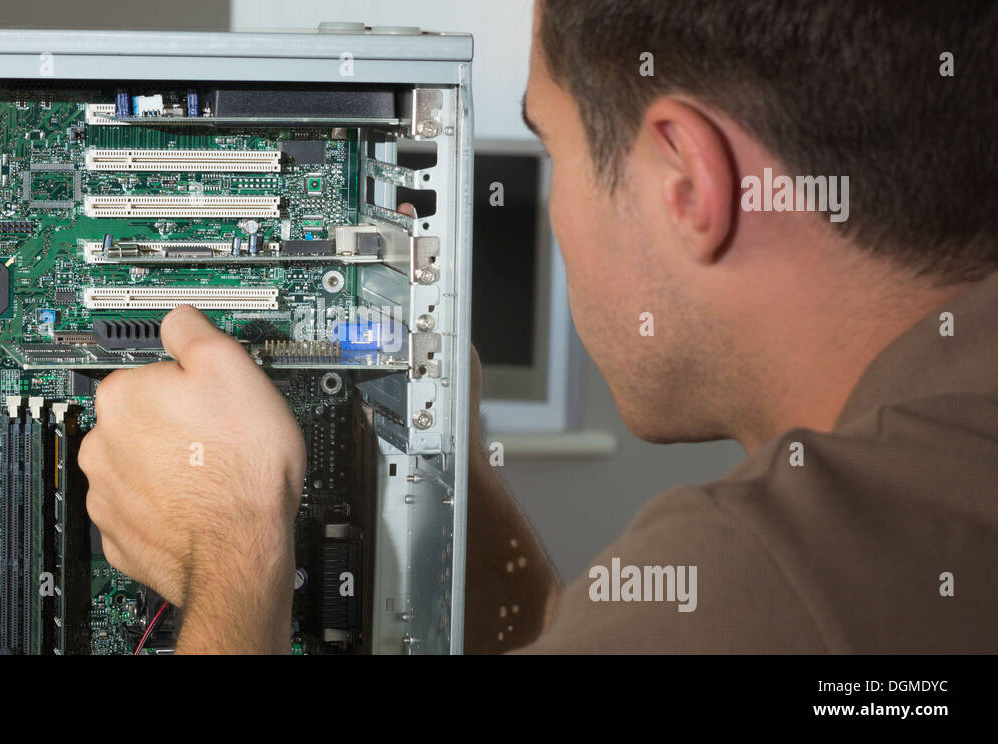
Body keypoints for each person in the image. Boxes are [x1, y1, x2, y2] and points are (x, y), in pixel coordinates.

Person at [77, 0, 998, 653]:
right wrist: (449, 465)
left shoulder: (772, 578)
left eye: (551, 146)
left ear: (689, 185)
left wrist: (232, 546)